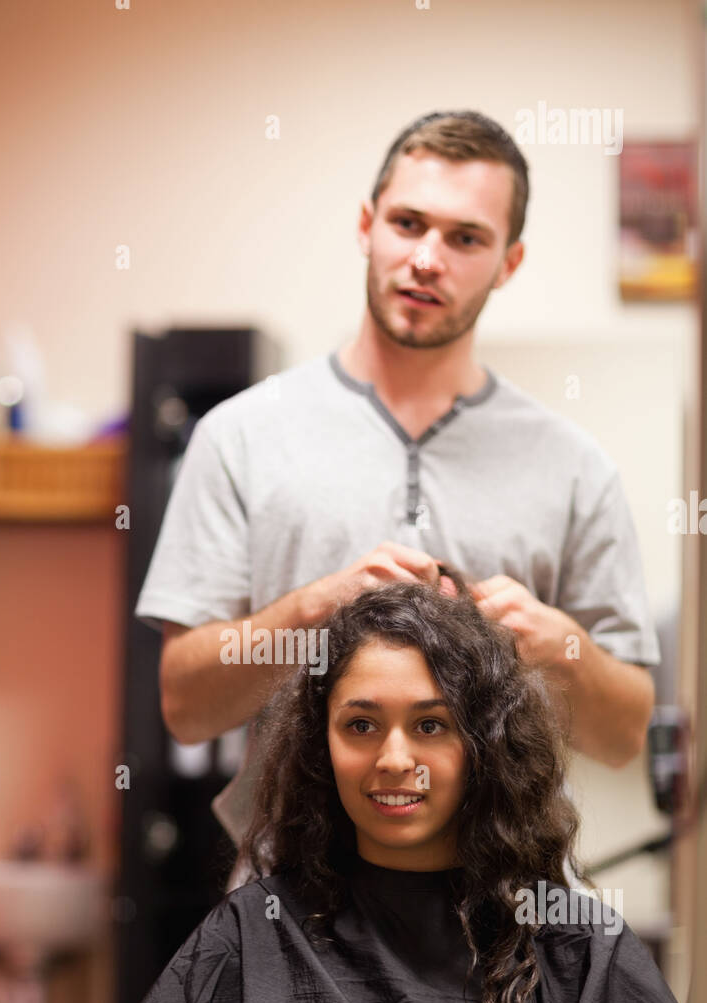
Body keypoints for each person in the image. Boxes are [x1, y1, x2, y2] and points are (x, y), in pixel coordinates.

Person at [135, 109, 659, 886]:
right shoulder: (240, 436)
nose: (426, 258)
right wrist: (314, 609)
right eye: (408, 223)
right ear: (366, 224)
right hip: (293, 909)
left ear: (508, 261)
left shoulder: (574, 466)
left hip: (509, 911)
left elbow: (623, 736)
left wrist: (559, 648)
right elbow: (185, 703)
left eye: (465, 238)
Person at [49, 577, 682, 1003]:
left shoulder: (578, 952)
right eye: (361, 725)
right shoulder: (255, 932)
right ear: (323, 745)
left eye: (431, 724)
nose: (393, 757)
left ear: (484, 744)